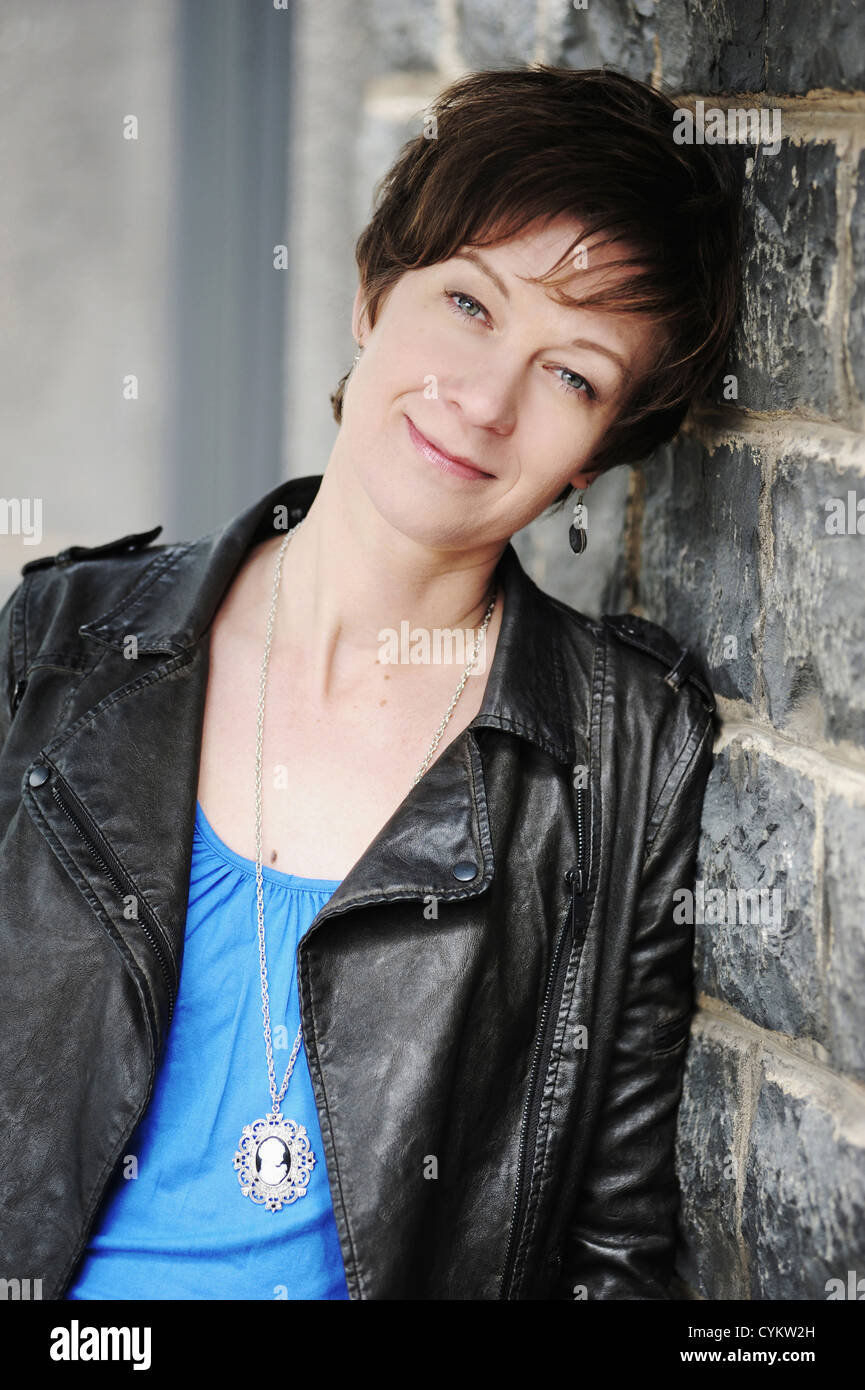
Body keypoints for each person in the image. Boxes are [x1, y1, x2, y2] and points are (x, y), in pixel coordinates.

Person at [0, 64, 741, 1300]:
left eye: (572, 376)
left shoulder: (621, 755)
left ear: (595, 462)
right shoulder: (62, 641)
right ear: (369, 292)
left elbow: (616, 1252)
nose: (486, 400)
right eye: (468, 302)